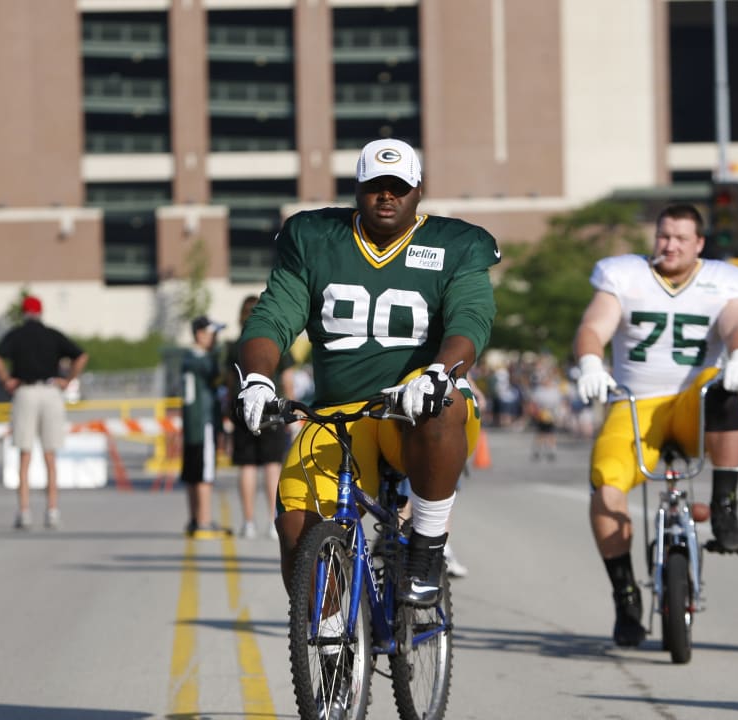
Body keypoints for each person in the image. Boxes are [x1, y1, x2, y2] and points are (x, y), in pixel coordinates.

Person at [235, 137, 499, 609]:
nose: (386, 196)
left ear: (418, 191)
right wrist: (258, 378)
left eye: (398, 186)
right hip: (338, 412)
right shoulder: (315, 238)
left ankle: (428, 547)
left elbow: (470, 320)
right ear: (357, 188)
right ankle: (333, 639)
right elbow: (273, 317)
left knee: (444, 403)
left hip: (414, 410)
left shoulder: (455, 244)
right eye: (376, 185)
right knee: (296, 526)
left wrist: (438, 372)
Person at [574, 203, 738, 647]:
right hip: (636, 406)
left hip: (695, 403)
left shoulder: (724, 279)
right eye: (663, 235)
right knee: (606, 486)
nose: (669, 245)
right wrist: (591, 362)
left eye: (680, 237)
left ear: (700, 244)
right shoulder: (624, 274)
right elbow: (594, 325)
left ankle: (725, 504)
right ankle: (626, 596)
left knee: (723, 386)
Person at [0, 295, 88, 530]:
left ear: (24, 313)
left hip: (25, 391)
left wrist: (6, 380)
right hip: (50, 391)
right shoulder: (52, 334)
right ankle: (52, 510)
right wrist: (68, 379)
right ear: (41, 313)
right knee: (50, 456)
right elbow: (81, 355)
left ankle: (24, 511)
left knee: (25, 456)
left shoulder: (16, 334)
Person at [224, 296, 291, 540]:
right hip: (271, 407)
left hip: (243, 408)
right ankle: (274, 522)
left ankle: (248, 522)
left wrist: (228, 410)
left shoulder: (236, 345)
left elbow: (230, 381)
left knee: (247, 466)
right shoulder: (274, 340)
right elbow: (287, 379)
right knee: (272, 466)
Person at [181, 315, 229, 539]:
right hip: (203, 422)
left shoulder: (188, 358)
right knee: (203, 474)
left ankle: (194, 519)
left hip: (193, 423)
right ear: (200, 334)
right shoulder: (200, 360)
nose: (215, 339)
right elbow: (215, 375)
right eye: (212, 334)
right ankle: (203, 521)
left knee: (193, 473)